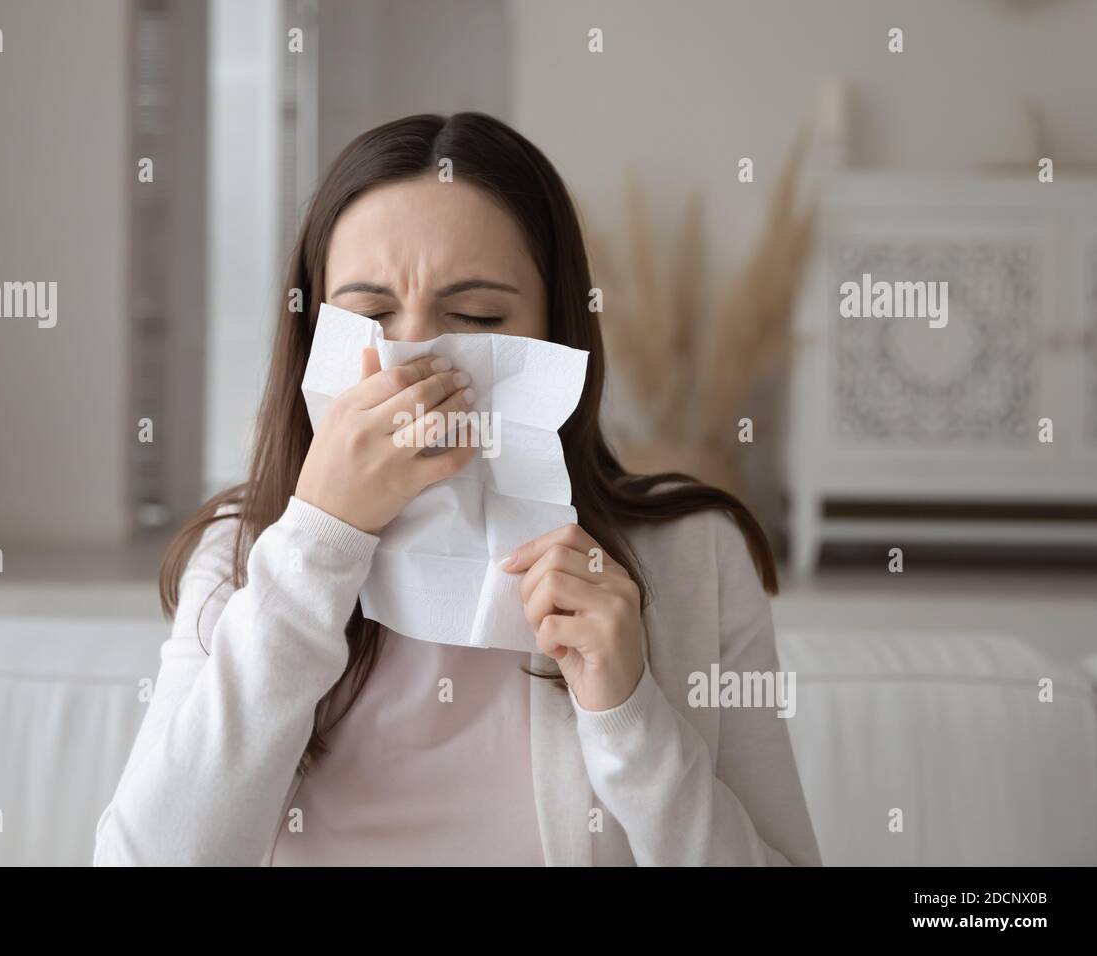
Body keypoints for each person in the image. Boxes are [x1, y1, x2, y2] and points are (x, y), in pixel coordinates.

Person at [93, 112, 822, 866]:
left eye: (475, 316)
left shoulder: (695, 555)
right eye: (371, 316)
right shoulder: (244, 554)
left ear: (556, 332)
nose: (413, 360)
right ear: (315, 340)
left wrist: (631, 717)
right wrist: (318, 540)